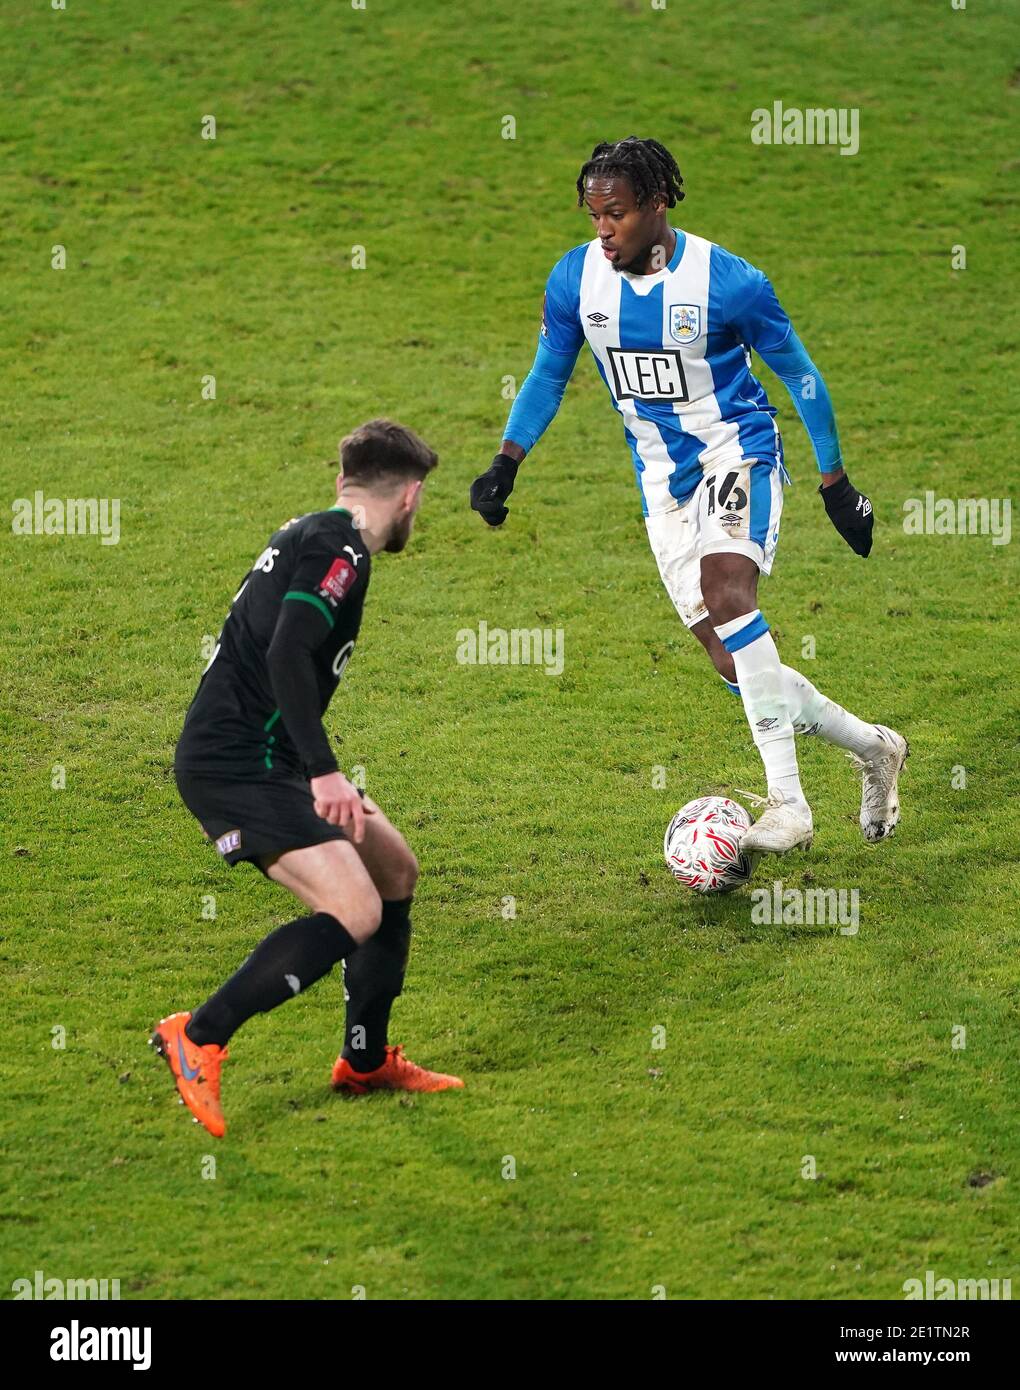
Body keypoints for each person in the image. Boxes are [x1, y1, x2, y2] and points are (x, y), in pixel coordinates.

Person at [470, 137, 907, 855]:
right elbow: (549, 375)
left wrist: (836, 485)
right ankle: (874, 748)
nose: (602, 230)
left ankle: (789, 806)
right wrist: (506, 462)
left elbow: (800, 375)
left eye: (615, 214)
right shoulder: (577, 280)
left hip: (738, 452)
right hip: (661, 486)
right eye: (593, 216)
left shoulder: (726, 283)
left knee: (731, 594)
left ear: (656, 205)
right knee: (737, 662)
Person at [154, 419, 462, 1138]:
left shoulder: (316, 530)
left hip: (269, 756)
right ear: (412, 497)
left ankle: (365, 1062)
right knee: (354, 910)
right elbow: (288, 652)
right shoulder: (342, 547)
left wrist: (309, 764)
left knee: (393, 871)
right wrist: (326, 774)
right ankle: (199, 1035)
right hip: (237, 766)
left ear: (342, 482)